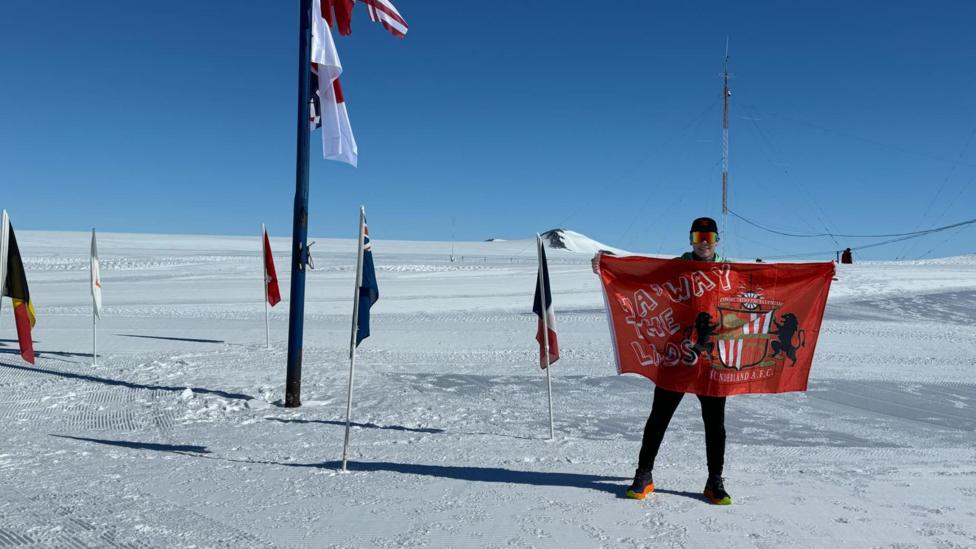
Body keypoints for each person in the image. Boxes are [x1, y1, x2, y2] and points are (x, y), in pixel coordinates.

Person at [591, 216, 732, 505]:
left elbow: (768, 286)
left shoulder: (728, 271)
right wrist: (606, 267)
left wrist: (819, 275)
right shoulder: (673, 269)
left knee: (715, 422)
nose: (703, 243)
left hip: (712, 357)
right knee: (659, 416)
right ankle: (644, 473)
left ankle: (714, 480)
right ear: (690, 240)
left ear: (717, 240)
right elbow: (640, 277)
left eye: (708, 237)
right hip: (676, 354)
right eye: (697, 237)